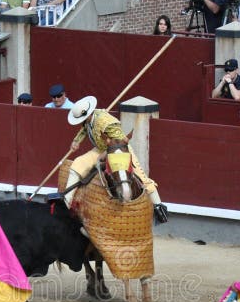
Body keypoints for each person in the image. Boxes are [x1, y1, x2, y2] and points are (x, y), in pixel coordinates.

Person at [63, 95, 169, 225]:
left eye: (83, 118)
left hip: (118, 149)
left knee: (141, 177)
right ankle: (66, 202)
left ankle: (159, 207)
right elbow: (85, 129)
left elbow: (119, 141)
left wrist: (107, 154)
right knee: (77, 165)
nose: (82, 121)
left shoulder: (105, 121)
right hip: (101, 149)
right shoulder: (89, 119)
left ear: (89, 114)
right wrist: (76, 141)